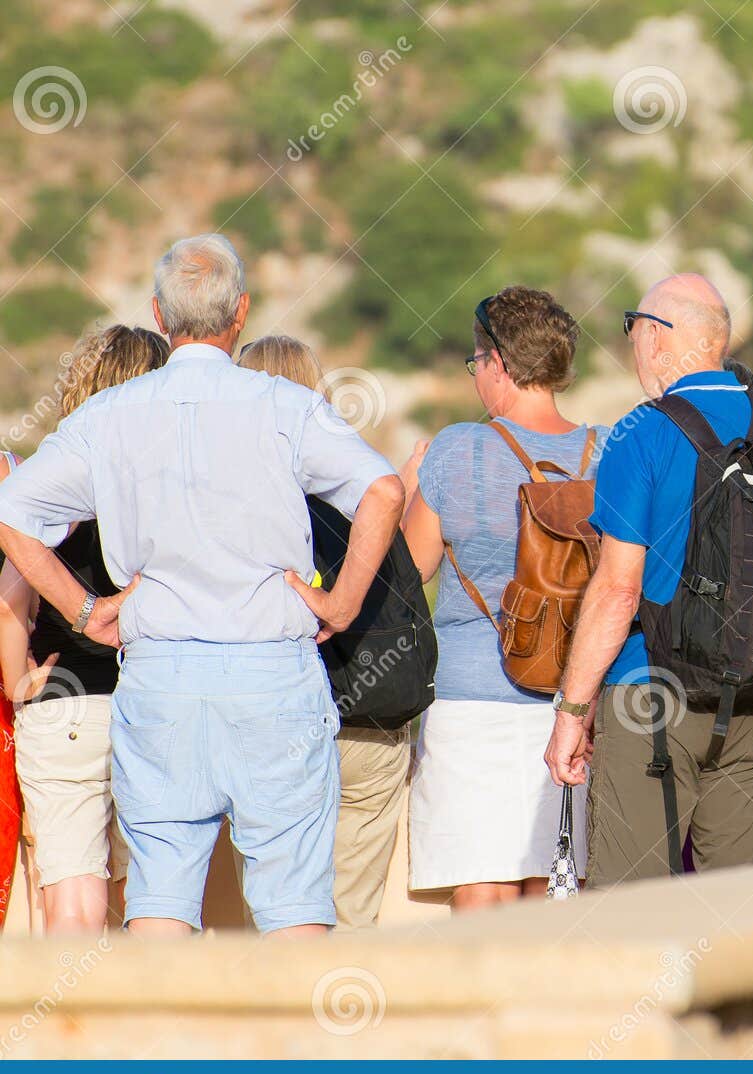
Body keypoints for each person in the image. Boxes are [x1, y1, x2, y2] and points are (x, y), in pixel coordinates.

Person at [0, 234, 403, 938]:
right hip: (273, 673)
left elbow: (13, 513)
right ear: (240, 312)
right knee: (295, 904)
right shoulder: (285, 406)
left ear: (159, 313)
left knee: (159, 899)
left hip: (160, 676)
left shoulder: (107, 417)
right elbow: (384, 490)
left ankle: (162, 1047)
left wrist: (84, 608)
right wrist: (340, 604)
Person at [543, 274, 753, 886]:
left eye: (633, 326)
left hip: (648, 695)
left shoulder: (642, 433)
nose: (631, 343)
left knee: (630, 906)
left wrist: (573, 710)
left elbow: (617, 590)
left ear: (658, 338)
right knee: (737, 911)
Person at [401, 287, 604, 910]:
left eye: (476, 361)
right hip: (575, 703)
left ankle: (477, 1006)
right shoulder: (608, 449)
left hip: (469, 698)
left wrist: (410, 484)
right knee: (553, 885)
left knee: (481, 883)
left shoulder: (456, 449)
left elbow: (409, 575)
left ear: (500, 364)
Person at [236, 334, 433, 928]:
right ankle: (342, 1012)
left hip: (285, 723)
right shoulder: (364, 486)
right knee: (350, 919)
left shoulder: (252, 495)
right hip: (376, 724)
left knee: (277, 911)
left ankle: (279, 1014)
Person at [0, 325, 167, 933]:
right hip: (154, 698)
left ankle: (71, 1016)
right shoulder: (168, 484)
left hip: (67, 699)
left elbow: (7, 600)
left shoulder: (53, 483)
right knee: (149, 882)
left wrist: (18, 680)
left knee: (71, 880)